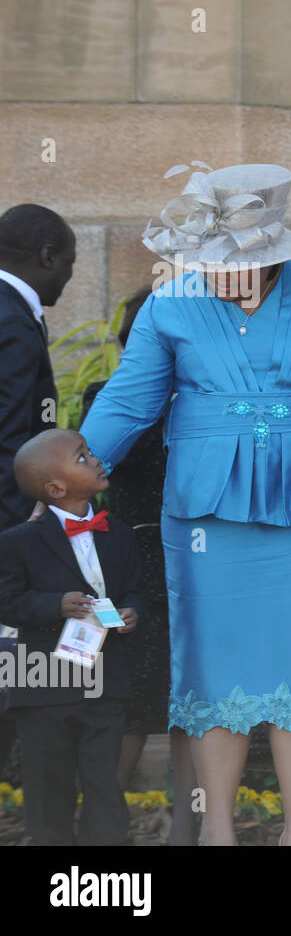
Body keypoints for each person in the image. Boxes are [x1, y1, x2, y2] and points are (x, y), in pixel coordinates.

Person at [77, 163, 291, 846]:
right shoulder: (171, 304)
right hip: (207, 518)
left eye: (236, 265)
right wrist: (77, 470)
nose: (221, 276)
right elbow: (131, 399)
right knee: (213, 669)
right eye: (211, 262)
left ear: (274, 253)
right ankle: (217, 831)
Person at [81, 286, 197, 846]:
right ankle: (110, 835)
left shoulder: (196, 403)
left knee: (179, 705)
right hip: (143, 565)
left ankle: (180, 830)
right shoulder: (112, 399)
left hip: (160, 564)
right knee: (133, 704)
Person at [0, 429, 143, 845]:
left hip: (105, 680)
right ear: (55, 487)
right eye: (82, 457)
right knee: (48, 784)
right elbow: (7, 601)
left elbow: (134, 588)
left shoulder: (120, 534)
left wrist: (134, 611)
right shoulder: (17, 542)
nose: (95, 459)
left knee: (105, 781)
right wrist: (54, 605)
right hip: (43, 682)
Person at [0, 205, 77, 769]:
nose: (68, 277)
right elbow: (11, 441)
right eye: (68, 264)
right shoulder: (12, 322)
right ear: (47, 256)